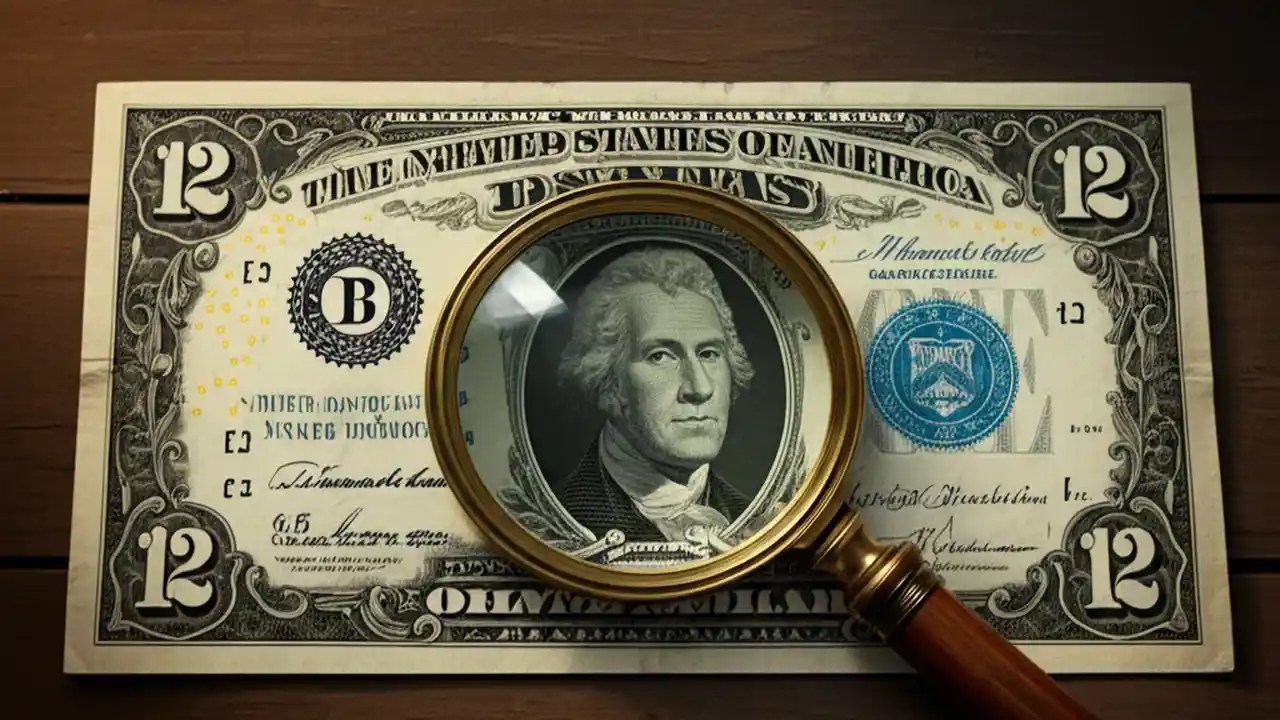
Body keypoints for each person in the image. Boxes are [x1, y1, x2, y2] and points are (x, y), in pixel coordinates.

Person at [554, 244, 755, 544]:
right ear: (608, 378)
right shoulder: (555, 520)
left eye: (709, 353)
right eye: (660, 356)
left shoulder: (758, 518)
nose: (699, 389)